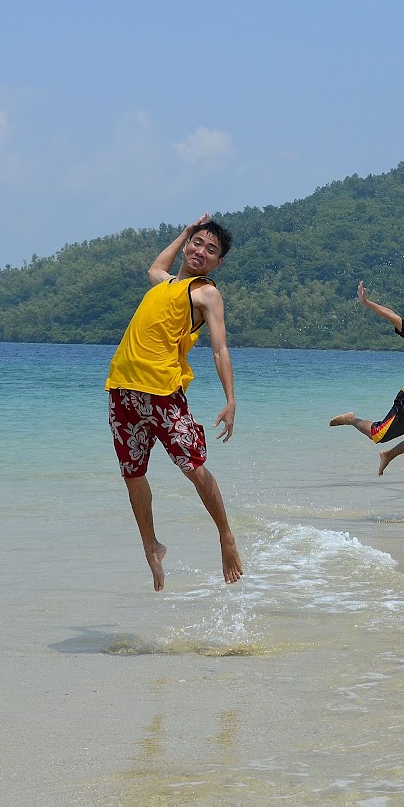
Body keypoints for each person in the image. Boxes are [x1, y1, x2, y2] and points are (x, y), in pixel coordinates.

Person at [105, 214, 243, 591]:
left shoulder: (204, 293)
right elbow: (155, 267)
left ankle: (226, 536)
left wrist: (230, 399)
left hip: (163, 394)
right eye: (197, 243)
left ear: (218, 263)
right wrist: (185, 230)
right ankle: (152, 546)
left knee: (194, 469)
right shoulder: (165, 284)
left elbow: (219, 348)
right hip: (122, 389)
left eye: (211, 250)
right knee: (133, 475)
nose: (201, 251)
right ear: (187, 245)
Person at [330, 281, 404, 475]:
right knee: (377, 435)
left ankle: (388, 455)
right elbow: (393, 316)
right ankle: (351, 420)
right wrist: (367, 302)